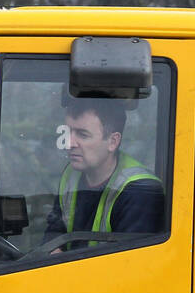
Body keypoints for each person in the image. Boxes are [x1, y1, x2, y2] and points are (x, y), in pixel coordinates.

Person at [45, 97, 165, 249]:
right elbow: (54, 230)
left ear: (113, 142)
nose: (69, 143)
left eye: (83, 135)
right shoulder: (71, 174)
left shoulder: (140, 190)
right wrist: (51, 250)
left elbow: (130, 262)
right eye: (68, 132)